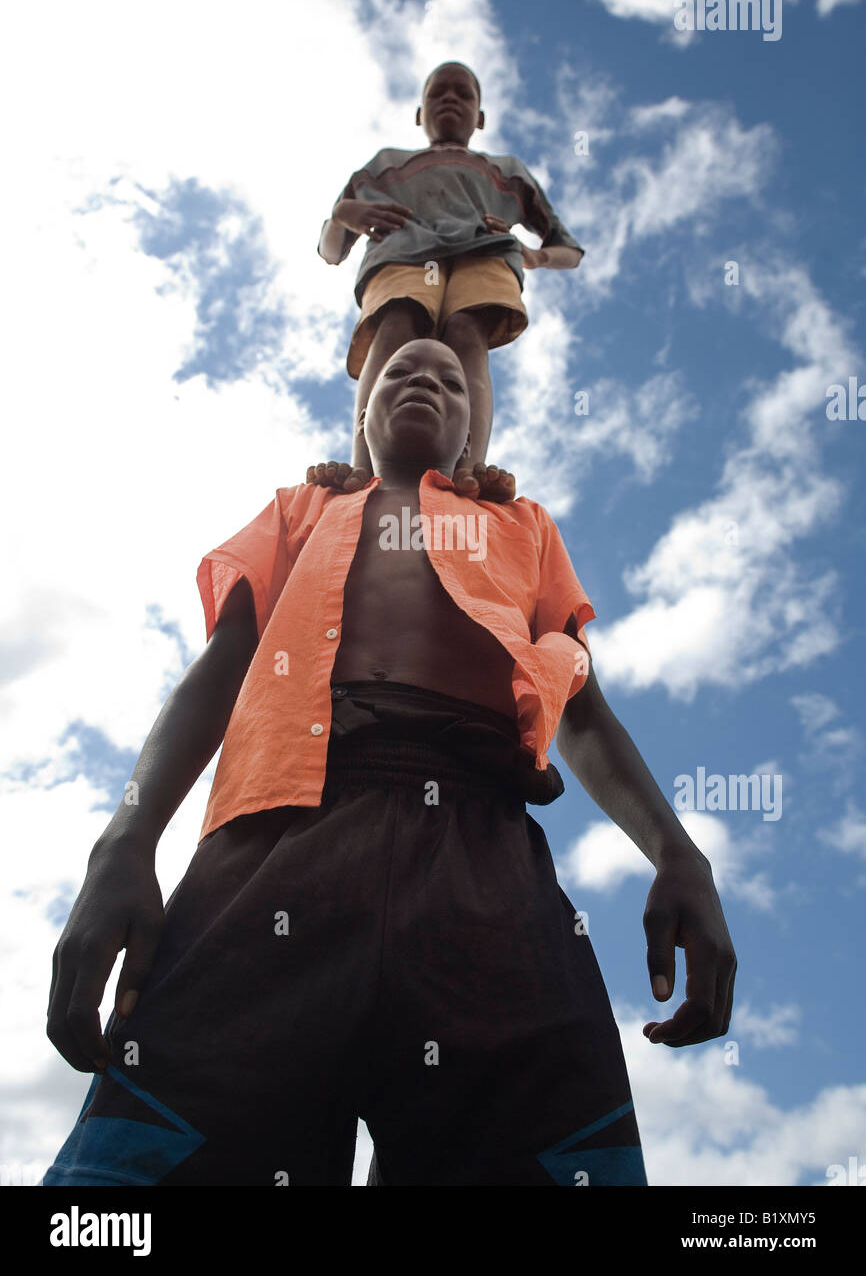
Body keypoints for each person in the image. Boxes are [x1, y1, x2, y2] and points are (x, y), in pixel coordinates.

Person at [43, 339, 736, 1187]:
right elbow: (220, 668)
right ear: (360, 416)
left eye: (450, 379)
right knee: (149, 1165)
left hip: (487, 865)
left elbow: (583, 705)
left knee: (550, 1156)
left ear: (474, 432)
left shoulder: (521, 526)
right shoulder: (301, 509)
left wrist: (678, 853)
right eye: (398, 372)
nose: (423, 382)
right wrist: (124, 843)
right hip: (277, 847)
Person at [314, 60, 584, 500]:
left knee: (467, 335)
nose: (451, 100)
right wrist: (344, 214)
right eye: (439, 93)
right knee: (397, 326)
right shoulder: (384, 166)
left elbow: (568, 251)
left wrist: (534, 254)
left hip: (484, 254)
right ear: (419, 112)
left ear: (480, 117)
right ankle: (363, 464)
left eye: (463, 94)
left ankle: (469, 466)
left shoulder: (507, 171)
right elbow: (331, 250)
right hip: (402, 252)